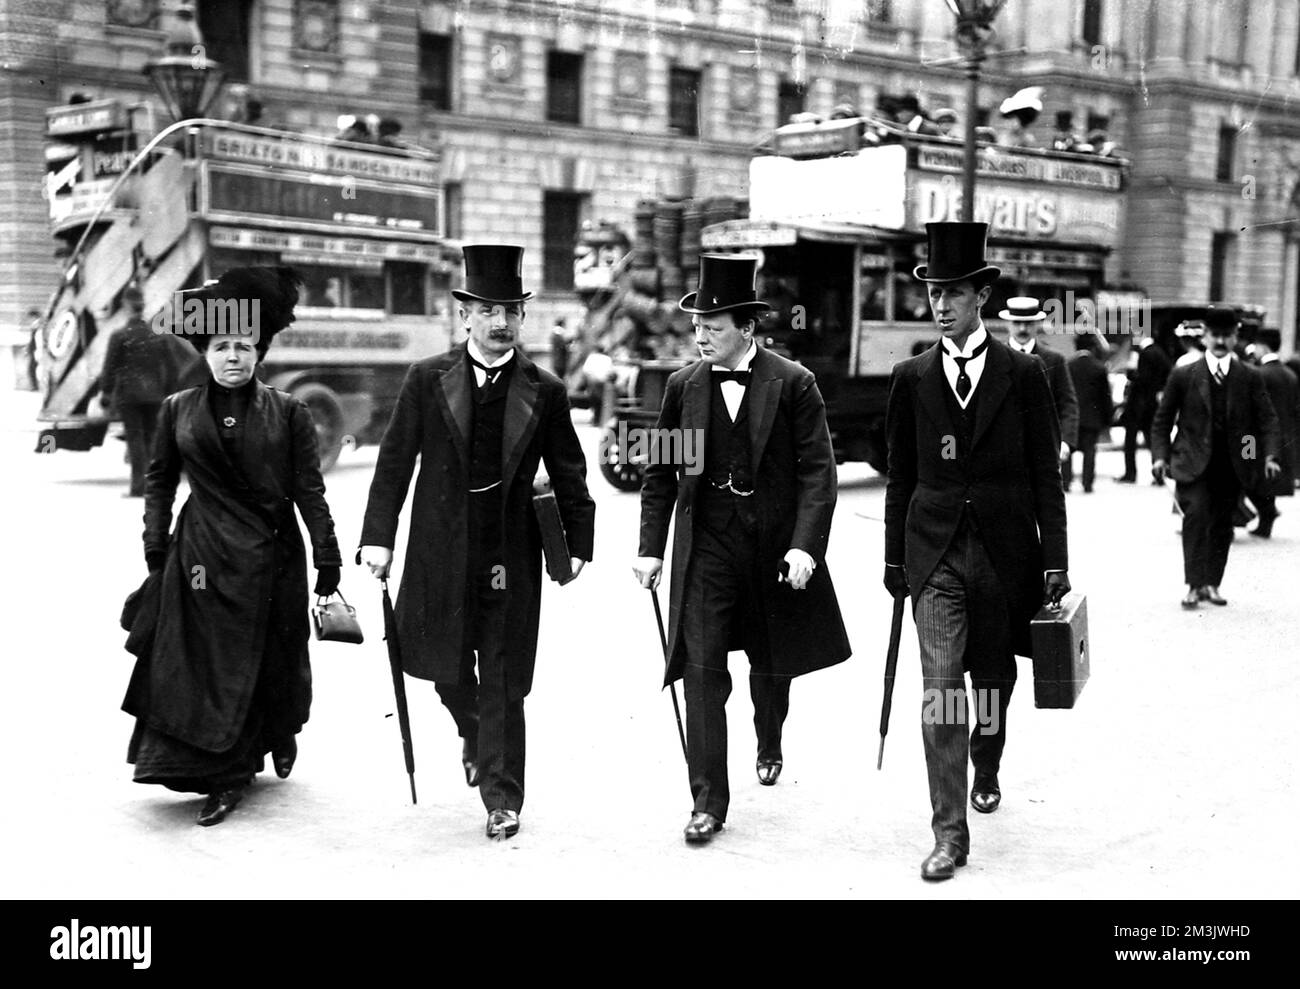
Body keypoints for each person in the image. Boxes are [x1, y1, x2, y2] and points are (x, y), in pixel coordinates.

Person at [358, 245, 595, 840]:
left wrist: (580, 541)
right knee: (441, 667)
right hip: (441, 550)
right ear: (465, 314)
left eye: (511, 310)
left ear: (522, 317)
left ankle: (502, 795)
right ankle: (472, 730)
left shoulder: (545, 389)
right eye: (488, 309)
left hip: (510, 553)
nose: (500, 322)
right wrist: (377, 538)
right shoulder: (426, 379)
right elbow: (393, 465)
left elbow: (570, 471)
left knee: (505, 676)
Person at [634, 254, 850, 844]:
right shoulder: (684, 387)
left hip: (773, 553)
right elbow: (661, 473)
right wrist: (651, 547)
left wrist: (807, 547)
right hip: (706, 550)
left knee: (770, 665)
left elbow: (818, 474)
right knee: (701, 670)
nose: (701, 336)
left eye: (715, 326)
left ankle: (770, 734)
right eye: (697, 326)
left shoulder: (794, 382)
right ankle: (708, 802)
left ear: (748, 328)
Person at [123, 266, 342, 826]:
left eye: (244, 346)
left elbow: (308, 491)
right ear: (207, 352)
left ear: (259, 352)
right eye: (222, 346)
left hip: (271, 558)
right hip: (199, 557)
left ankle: (281, 730)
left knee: (271, 660)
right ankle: (225, 776)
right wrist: (155, 550)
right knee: (204, 667)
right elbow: (158, 483)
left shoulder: (290, 413)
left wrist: (327, 556)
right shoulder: (177, 409)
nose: (233, 357)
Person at [884, 222, 1069, 881]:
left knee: (991, 680)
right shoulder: (911, 376)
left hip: (1003, 554)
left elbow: (1046, 474)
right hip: (934, 556)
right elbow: (900, 475)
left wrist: (1056, 564)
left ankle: (985, 760)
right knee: (941, 691)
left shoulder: (1025, 375)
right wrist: (893, 560)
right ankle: (949, 832)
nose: (941, 305)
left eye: (954, 293)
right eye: (934, 293)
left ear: (980, 298)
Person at [1151, 306, 1281, 609]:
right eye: (1215, 335)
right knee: (1195, 518)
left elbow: (1263, 422)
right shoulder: (1184, 374)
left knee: (1223, 524)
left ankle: (1213, 583)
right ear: (1206, 337)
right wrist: (1160, 456)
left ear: (1235, 337)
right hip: (1191, 462)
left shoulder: (1249, 376)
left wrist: (1259, 457)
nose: (1221, 341)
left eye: (1227, 335)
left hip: (1231, 466)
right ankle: (1194, 585)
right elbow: (1163, 419)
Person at [100, 286, 197, 497]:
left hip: (129, 396)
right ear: (143, 306)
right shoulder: (158, 335)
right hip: (155, 396)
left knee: (134, 439)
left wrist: (106, 394)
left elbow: (109, 368)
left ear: (126, 306)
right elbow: (174, 368)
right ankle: (155, 487)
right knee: (152, 439)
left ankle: (138, 488)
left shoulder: (119, 336)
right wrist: (169, 391)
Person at [1000, 297, 1080, 478]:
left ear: (1037, 324)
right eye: (1017, 323)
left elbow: (1068, 403)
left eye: (1028, 323)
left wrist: (1066, 442)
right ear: (1008, 324)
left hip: (1043, 450)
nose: (1022, 329)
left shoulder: (1054, 359)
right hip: (1004, 450)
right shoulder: (994, 358)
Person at [1244, 329, 1297, 538]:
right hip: (1285, 436)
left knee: (1248, 476)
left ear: (1262, 346)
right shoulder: (1290, 374)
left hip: (1257, 437)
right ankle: (1266, 520)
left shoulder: (1259, 374)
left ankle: (1265, 514)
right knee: (1269, 479)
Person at [1118, 335, 1173, 484]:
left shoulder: (1144, 354)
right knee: (1151, 441)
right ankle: (1159, 474)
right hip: (1151, 405)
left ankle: (1130, 473)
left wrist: (1132, 372)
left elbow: (1141, 379)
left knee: (1130, 440)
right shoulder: (1159, 352)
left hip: (1138, 406)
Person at [1064, 333, 1114, 493]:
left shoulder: (1067, 365)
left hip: (1071, 417)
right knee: (1090, 450)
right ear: (1092, 347)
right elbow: (1105, 396)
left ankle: (1065, 482)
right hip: (1092, 417)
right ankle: (1087, 483)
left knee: (1067, 449)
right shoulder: (1099, 368)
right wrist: (1108, 419)